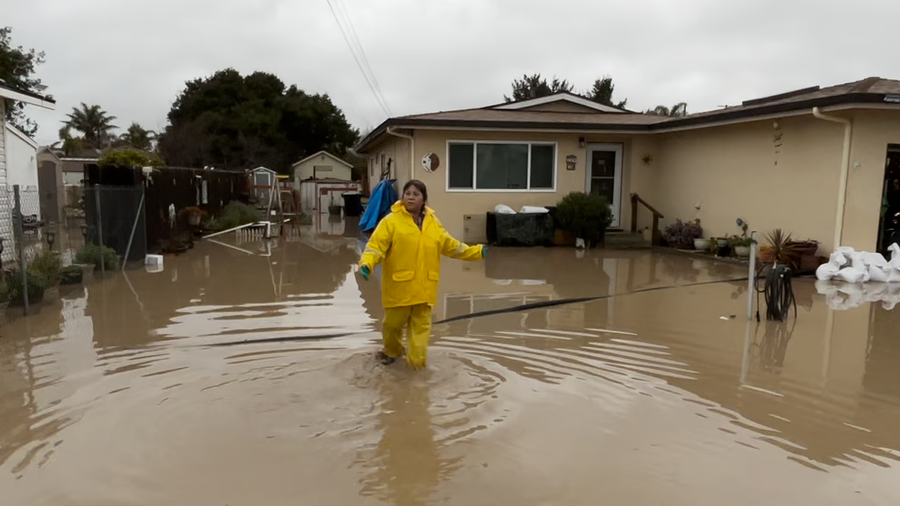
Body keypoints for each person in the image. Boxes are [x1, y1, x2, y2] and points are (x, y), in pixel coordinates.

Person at [358, 180, 487, 368]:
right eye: (407, 193)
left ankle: (416, 374)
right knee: (392, 327)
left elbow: (452, 246)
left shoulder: (433, 224)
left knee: (419, 340)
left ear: (424, 199)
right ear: (402, 197)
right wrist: (366, 264)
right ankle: (392, 353)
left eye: (416, 194)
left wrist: (477, 251)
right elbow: (375, 248)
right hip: (399, 290)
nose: (410, 197)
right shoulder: (390, 222)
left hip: (424, 292)